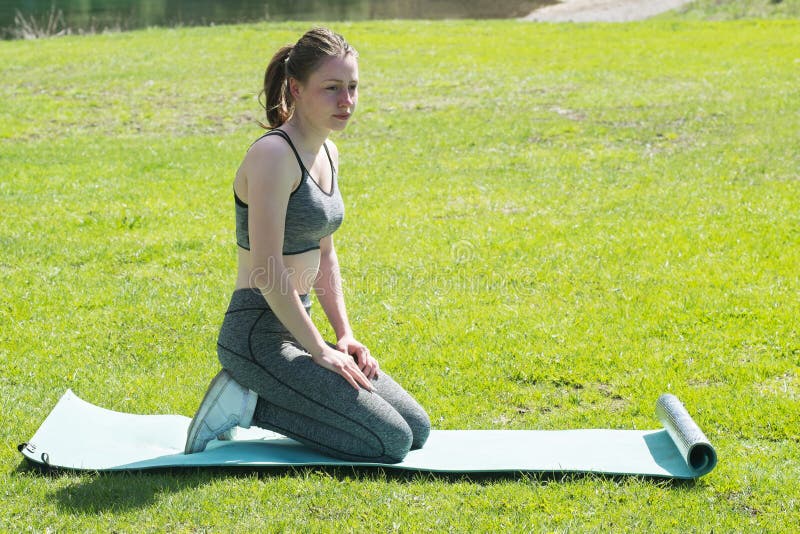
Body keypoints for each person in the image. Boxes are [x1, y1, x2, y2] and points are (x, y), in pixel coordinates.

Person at [184, 27, 430, 463]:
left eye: (352, 88)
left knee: (416, 428)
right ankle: (245, 402)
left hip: (301, 329)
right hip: (259, 335)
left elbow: (325, 254)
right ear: (296, 88)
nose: (346, 102)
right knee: (389, 442)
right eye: (332, 89)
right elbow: (265, 267)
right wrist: (317, 351)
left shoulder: (328, 152)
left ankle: (264, 393)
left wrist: (343, 336)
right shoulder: (273, 156)